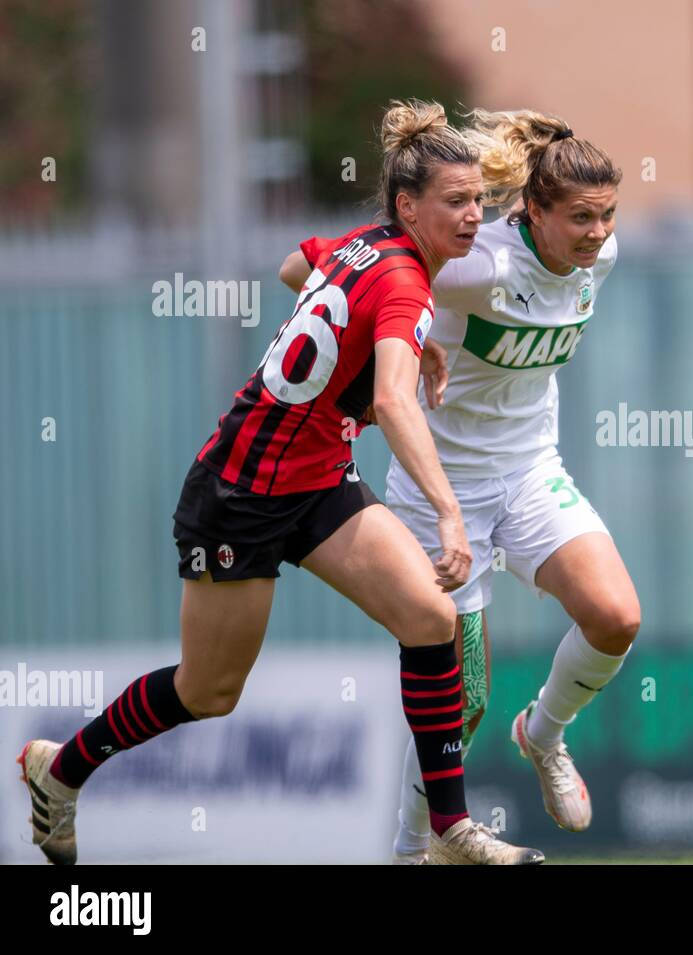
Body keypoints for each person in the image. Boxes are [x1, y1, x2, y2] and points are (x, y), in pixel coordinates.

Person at [16, 99, 542, 866]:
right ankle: (59, 770)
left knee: (430, 619)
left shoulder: (368, 246)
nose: (472, 217)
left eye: (478, 202)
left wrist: (389, 345)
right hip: (241, 493)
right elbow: (393, 401)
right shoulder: (405, 282)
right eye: (455, 202)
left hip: (317, 477)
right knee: (208, 690)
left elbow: (298, 266)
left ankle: (449, 829)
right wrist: (449, 514)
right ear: (407, 206)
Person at [280, 107, 637, 864]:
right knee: (461, 696)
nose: (597, 233)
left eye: (607, 216)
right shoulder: (477, 266)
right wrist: (391, 350)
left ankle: (542, 735)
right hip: (440, 491)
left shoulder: (598, 261)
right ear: (529, 212)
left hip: (533, 470)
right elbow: (308, 267)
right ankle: (411, 849)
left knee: (615, 616)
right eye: (579, 218)